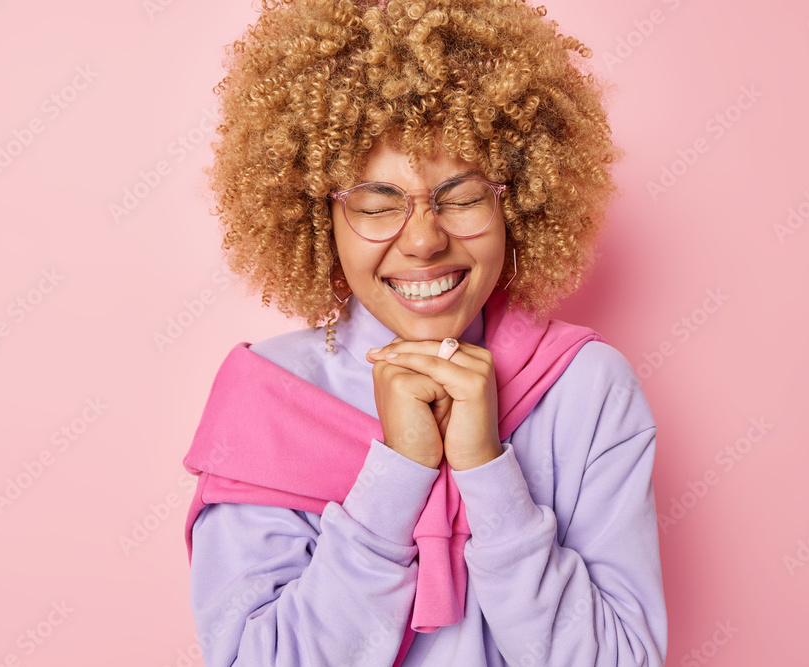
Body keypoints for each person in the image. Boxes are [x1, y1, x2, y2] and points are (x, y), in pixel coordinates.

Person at [182, 0, 667, 665]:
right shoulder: (268, 400)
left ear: (518, 197)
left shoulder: (589, 389)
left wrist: (489, 473)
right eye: (377, 203)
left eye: (462, 196)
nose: (422, 239)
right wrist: (397, 474)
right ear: (318, 216)